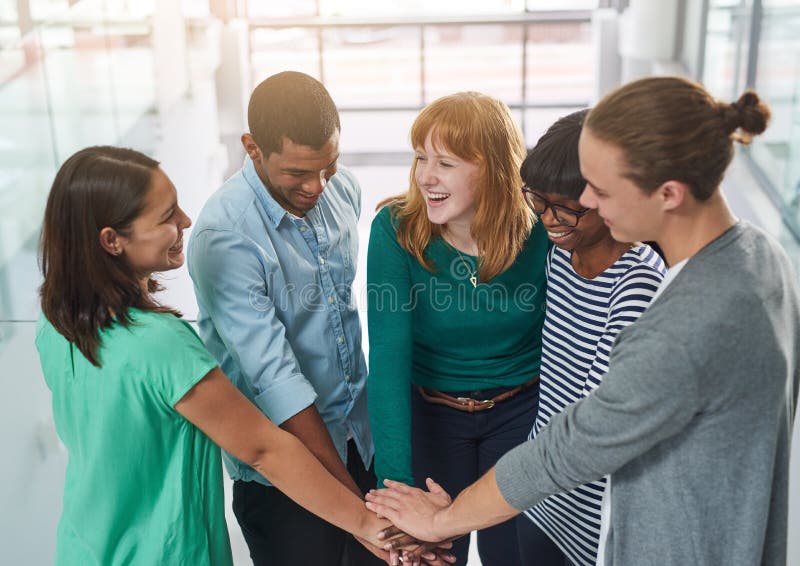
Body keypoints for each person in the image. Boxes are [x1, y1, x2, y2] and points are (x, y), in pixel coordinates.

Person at [366, 76, 800, 566]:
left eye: (601, 189)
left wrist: (441, 521)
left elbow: (574, 445)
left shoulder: (678, 330)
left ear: (668, 193)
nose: (585, 203)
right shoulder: (763, 257)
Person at [35, 146, 396, 565]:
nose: (186, 220)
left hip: (84, 548)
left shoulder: (55, 321)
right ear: (111, 240)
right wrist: (370, 526)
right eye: (167, 215)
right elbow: (265, 450)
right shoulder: (160, 343)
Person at [186, 70, 393, 566]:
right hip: (282, 480)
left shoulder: (343, 189)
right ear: (252, 148)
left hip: (358, 445)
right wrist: (352, 508)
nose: (317, 186)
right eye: (298, 173)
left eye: (328, 166)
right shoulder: (224, 236)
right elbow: (276, 379)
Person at [367, 91, 549, 566]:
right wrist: (396, 492)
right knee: (431, 555)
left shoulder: (542, 233)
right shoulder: (395, 229)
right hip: (432, 417)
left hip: (520, 415)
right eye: (421, 157)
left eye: (445, 163)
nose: (426, 176)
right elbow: (387, 358)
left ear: (494, 169)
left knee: (511, 555)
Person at [516, 110, 665, 566]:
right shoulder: (562, 255)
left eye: (564, 205)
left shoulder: (637, 283)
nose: (547, 218)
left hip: (591, 519)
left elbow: (593, 421)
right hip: (540, 498)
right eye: (537, 201)